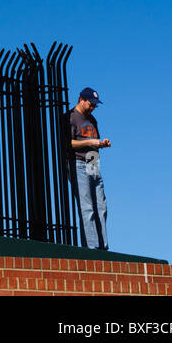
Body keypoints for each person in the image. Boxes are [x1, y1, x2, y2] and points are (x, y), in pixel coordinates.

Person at [68, 87, 110, 250]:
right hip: (78, 162)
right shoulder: (71, 117)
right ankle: (91, 248)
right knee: (87, 207)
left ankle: (102, 246)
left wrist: (101, 144)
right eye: (90, 104)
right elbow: (68, 143)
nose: (93, 108)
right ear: (81, 100)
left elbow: (94, 140)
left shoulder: (92, 120)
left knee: (101, 206)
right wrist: (90, 142)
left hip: (93, 162)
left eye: (95, 105)